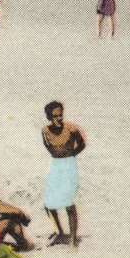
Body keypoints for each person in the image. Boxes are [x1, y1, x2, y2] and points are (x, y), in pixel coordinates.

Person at [41, 101, 86, 246]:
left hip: (69, 165)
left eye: (61, 115)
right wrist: (57, 156)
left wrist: (71, 155)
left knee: (69, 204)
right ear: (49, 117)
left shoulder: (71, 129)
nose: (59, 118)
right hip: (55, 165)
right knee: (48, 203)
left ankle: (72, 240)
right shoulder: (45, 131)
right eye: (55, 116)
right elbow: (47, 145)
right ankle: (59, 232)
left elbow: (82, 144)